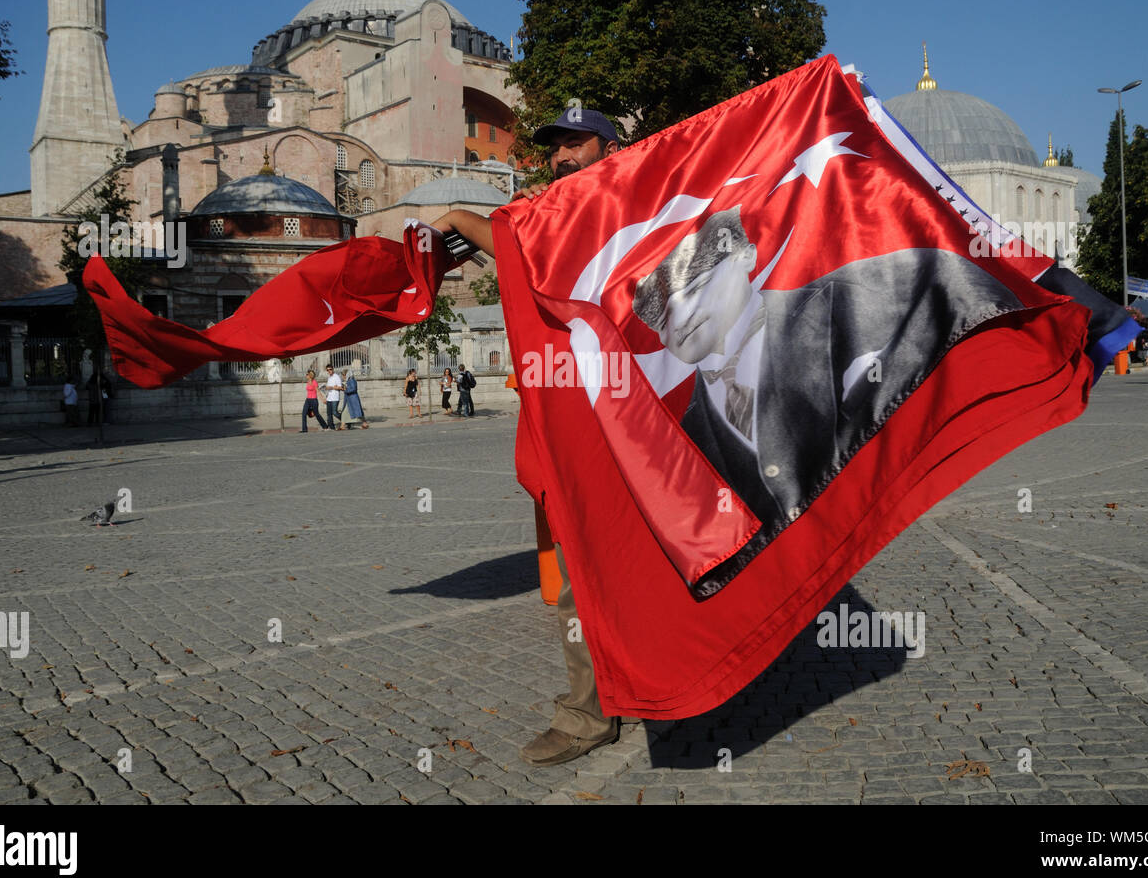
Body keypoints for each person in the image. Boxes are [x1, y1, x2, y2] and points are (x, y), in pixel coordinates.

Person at [630, 206, 1022, 572]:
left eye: (696, 286)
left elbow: (960, 289)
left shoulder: (859, 295)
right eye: (663, 319)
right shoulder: (685, 436)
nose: (681, 318)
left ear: (746, 257)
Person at [434, 107, 623, 766]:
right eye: (556, 148)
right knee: (580, 578)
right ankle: (588, 713)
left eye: (577, 143)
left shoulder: (637, 204)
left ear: (610, 146)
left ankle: (683, 679)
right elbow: (519, 251)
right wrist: (459, 219)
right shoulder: (543, 217)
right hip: (581, 432)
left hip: (652, 425)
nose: (564, 156)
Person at [324, 364, 344, 429]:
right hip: (329, 397)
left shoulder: (337, 377)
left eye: (330, 369)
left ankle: (345, 421)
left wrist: (332, 387)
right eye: (327, 370)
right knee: (329, 413)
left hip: (335, 398)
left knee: (335, 412)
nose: (329, 371)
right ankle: (331, 427)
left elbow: (340, 387)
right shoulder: (329, 378)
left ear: (333, 369)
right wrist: (326, 388)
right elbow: (329, 387)